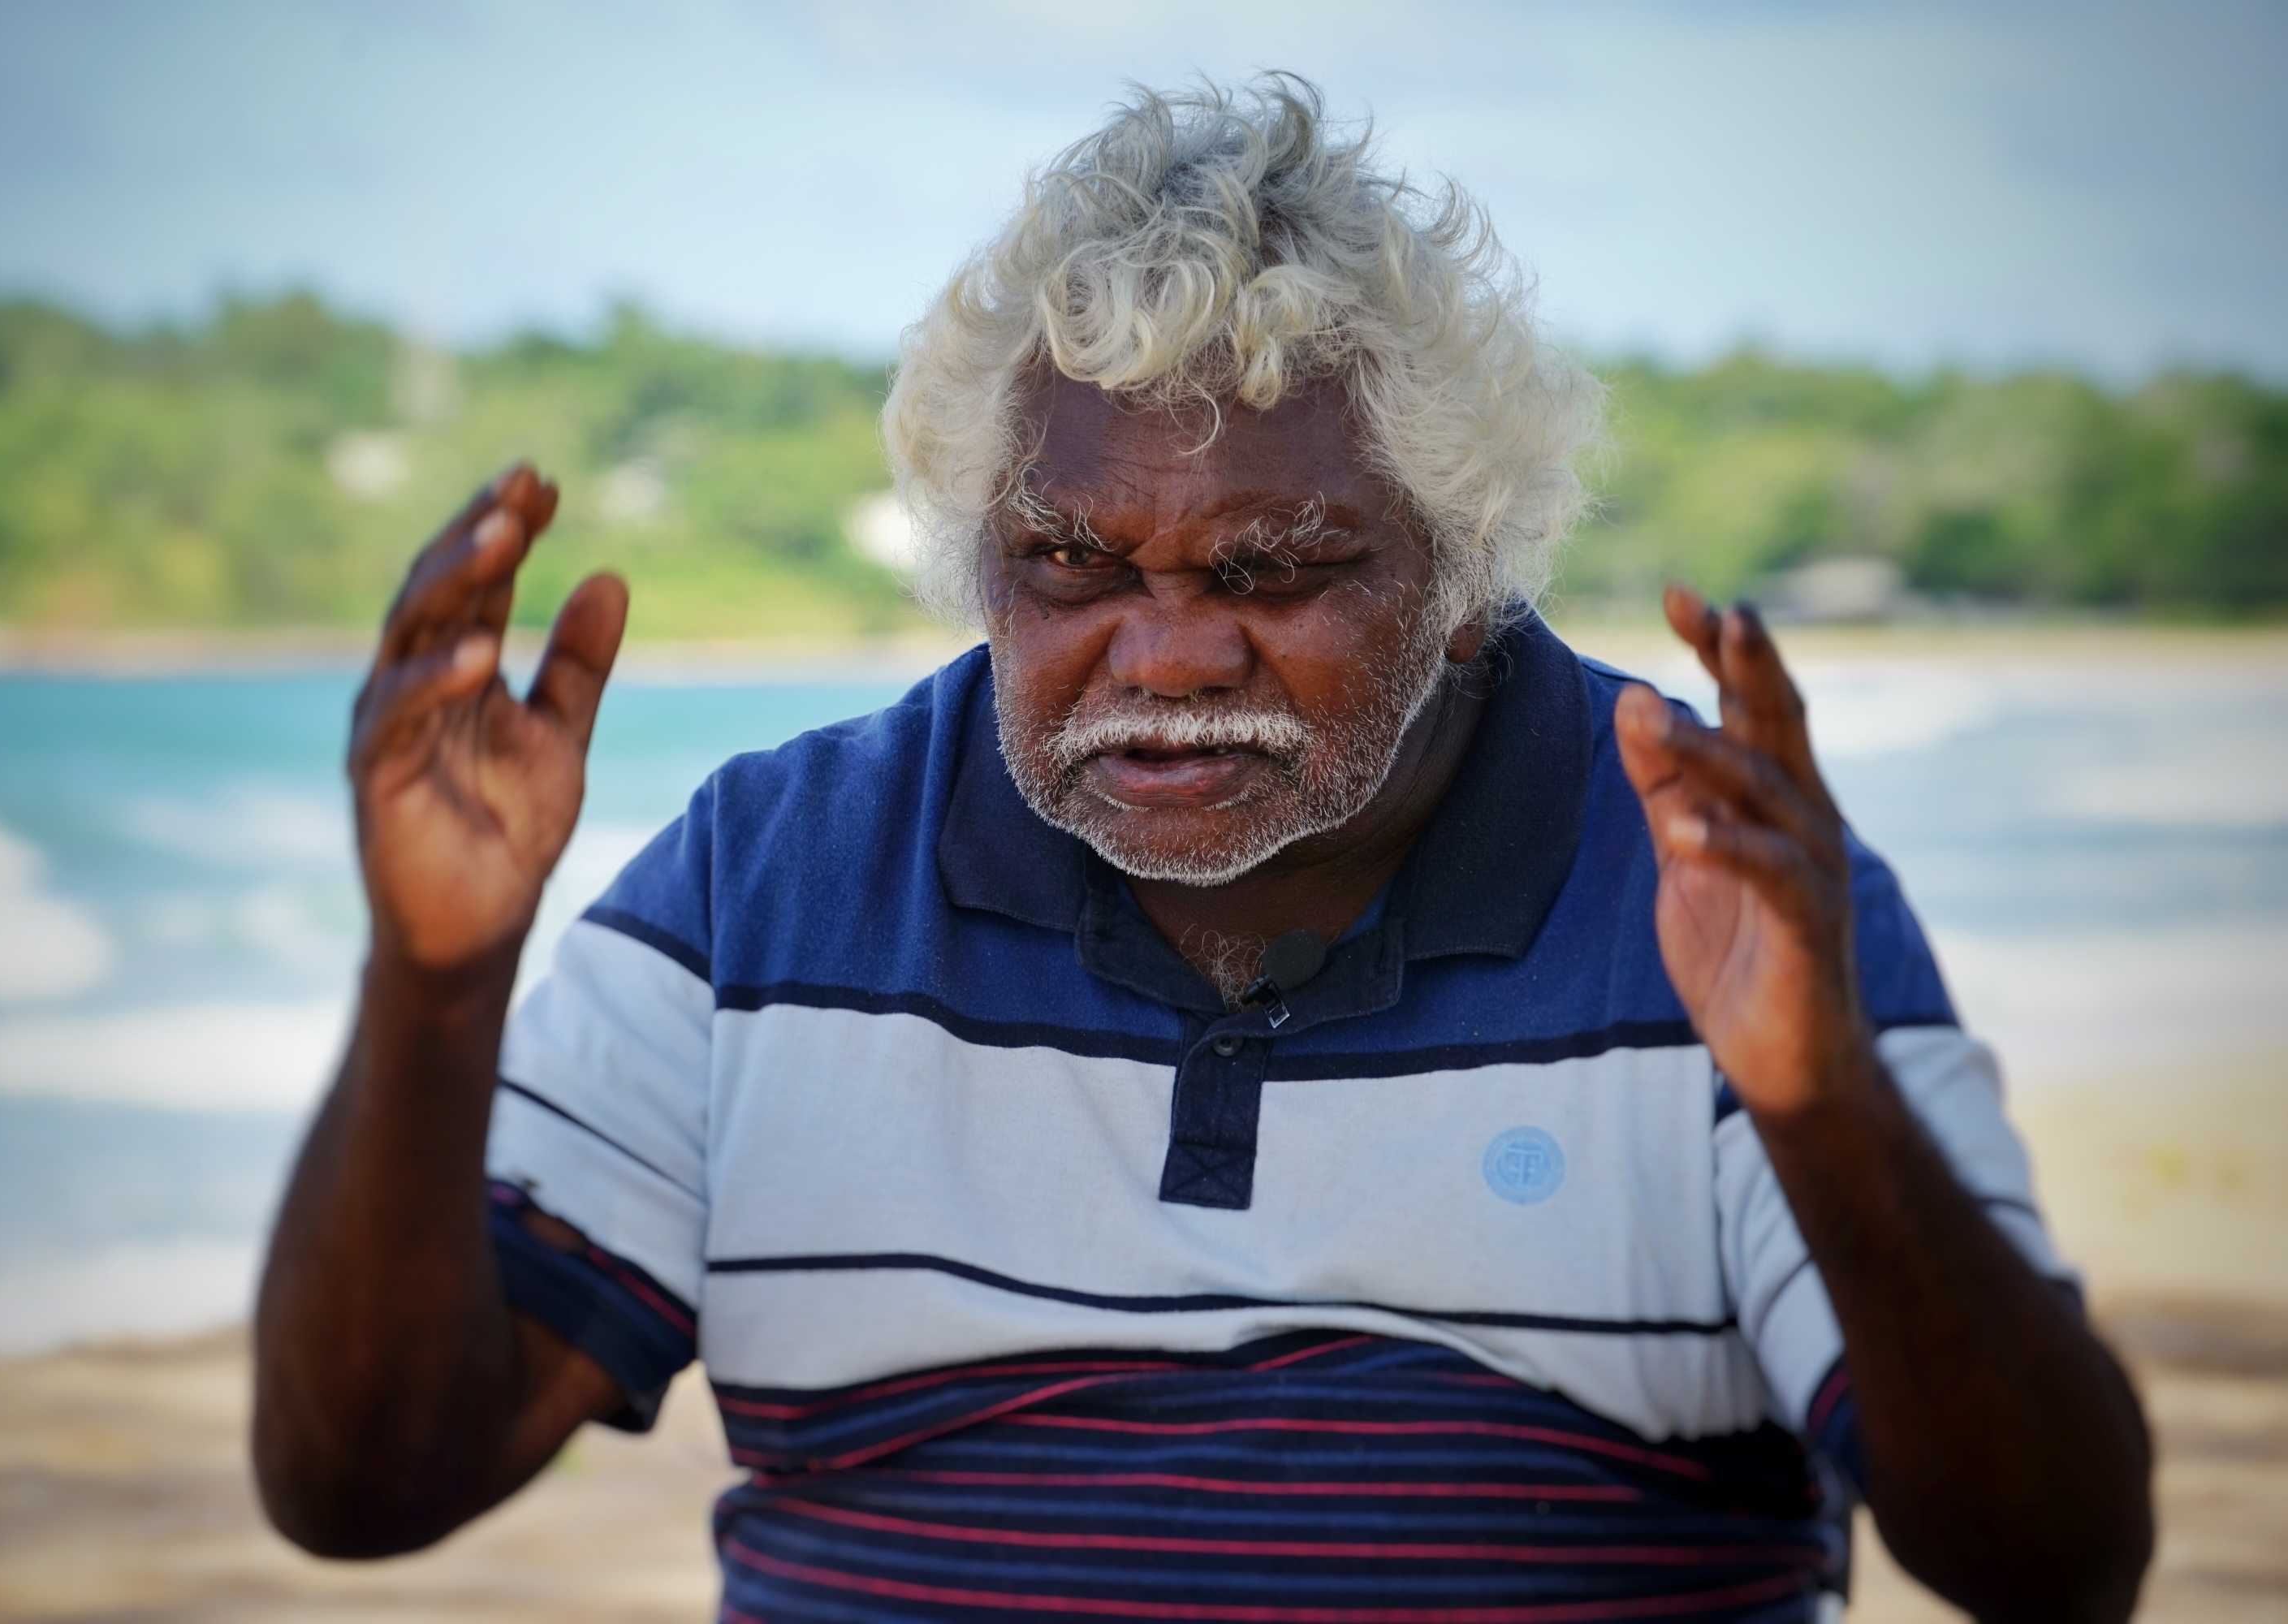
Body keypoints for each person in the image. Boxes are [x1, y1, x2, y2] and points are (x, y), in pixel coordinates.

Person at [253, 76, 2152, 1621]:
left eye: (1272, 572)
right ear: (979, 560)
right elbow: (361, 1485)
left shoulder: (1714, 882)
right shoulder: (775, 876)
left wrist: (1823, 1108)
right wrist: (437, 979)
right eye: (1072, 564)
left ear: (1465, 583)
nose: (1163, 655)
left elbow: (2056, 1559)